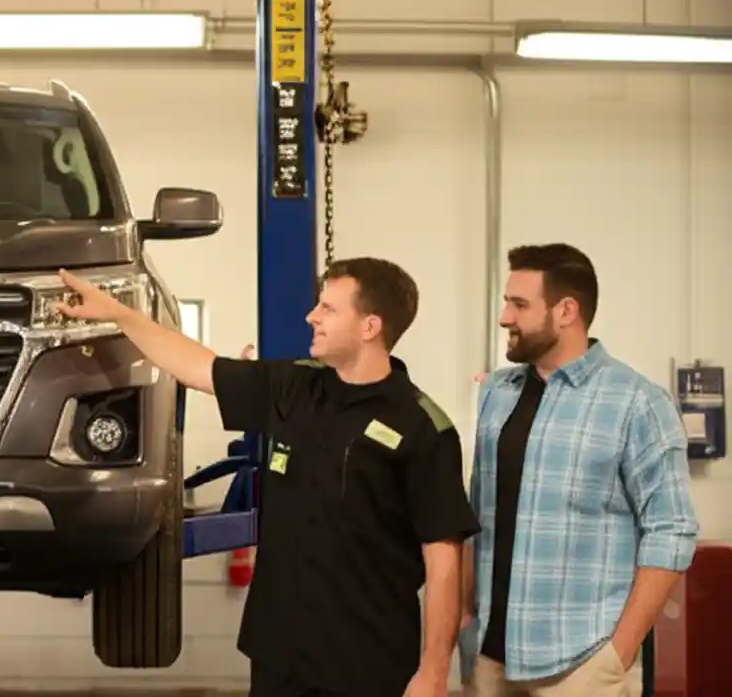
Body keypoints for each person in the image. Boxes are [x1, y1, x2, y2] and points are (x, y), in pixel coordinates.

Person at [54, 257, 480, 697]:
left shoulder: (424, 428)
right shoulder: (291, 386)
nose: (311, 316)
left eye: (329, 309)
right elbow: (197, 366)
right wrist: (121, 315)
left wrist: (432, 673)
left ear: (370, 326)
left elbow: (443, 556)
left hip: (370, 660)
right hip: (280, 653)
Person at [463, 243, 700, 697]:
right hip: (492, 658)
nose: (504, 318)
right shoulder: (497, 393)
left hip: (582, 665)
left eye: (519, 304)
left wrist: (619, 654)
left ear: (566, 310)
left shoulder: (637, 402)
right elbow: (478, 512)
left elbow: (672, 530)